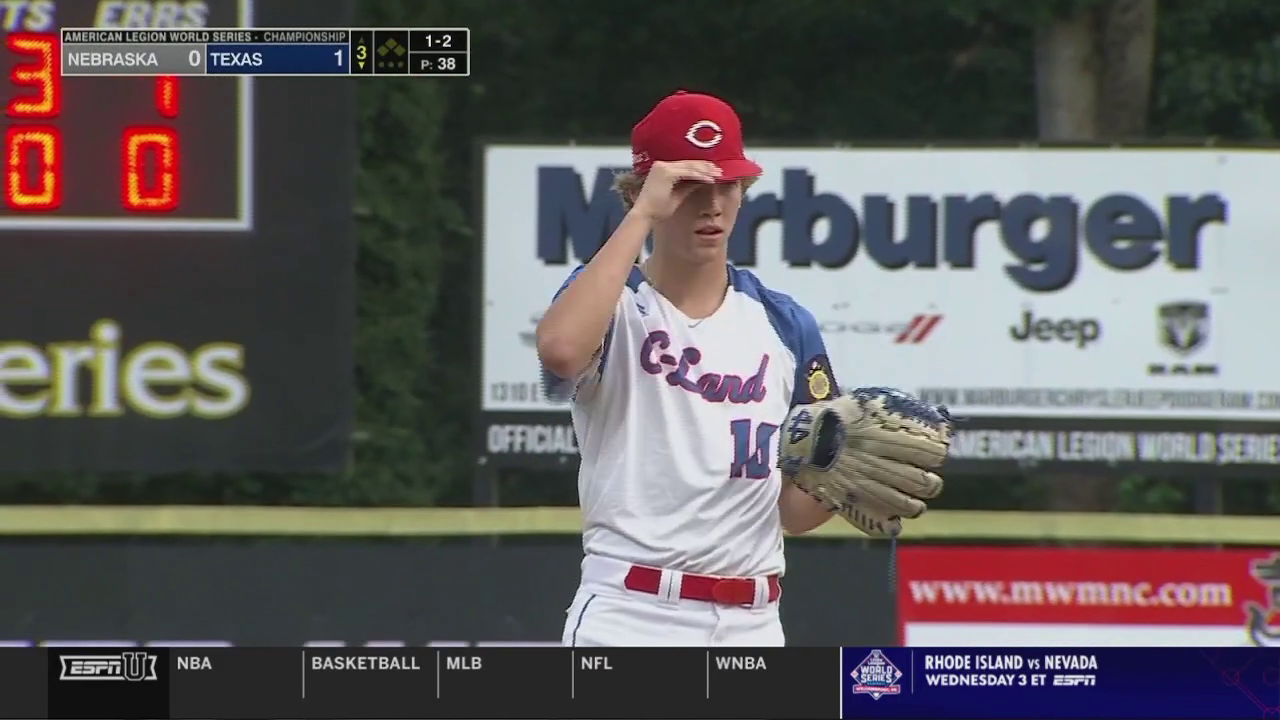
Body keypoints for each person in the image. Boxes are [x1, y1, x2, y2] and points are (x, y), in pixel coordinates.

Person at [536, 90, 841, 647]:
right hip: (632, 613)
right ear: (641, 191)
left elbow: (794, 514)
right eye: (689, 187)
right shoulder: (614, 301)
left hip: (753, 619)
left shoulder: (784, 323)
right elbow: (560, 351)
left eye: (728, 185)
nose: (713, 205)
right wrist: (643, 216)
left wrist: (849, 482)